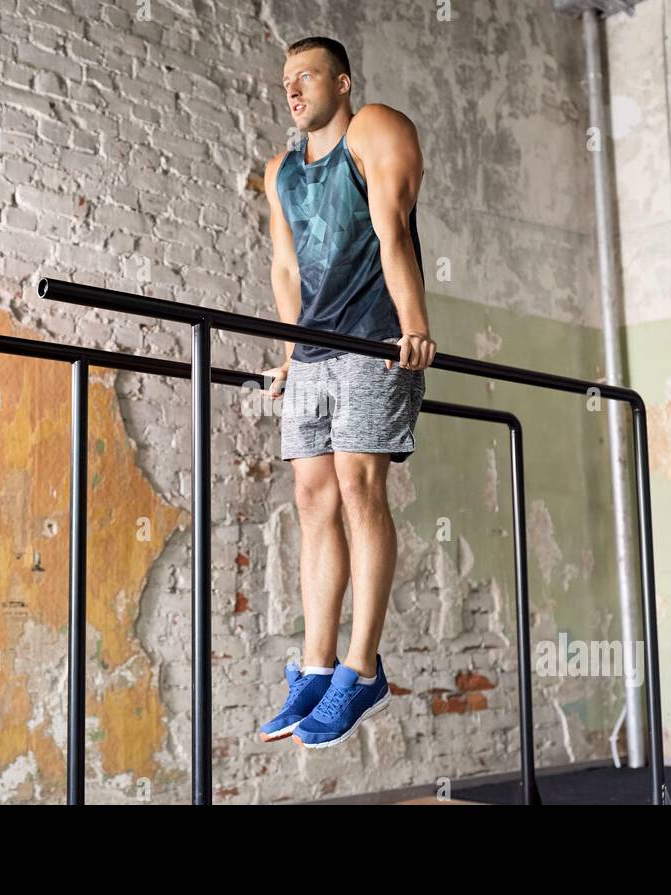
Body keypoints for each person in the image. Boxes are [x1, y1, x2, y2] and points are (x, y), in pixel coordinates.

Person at [258, 36, 435, 749]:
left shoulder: (374, 129)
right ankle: (315, 663)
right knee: (312, 499)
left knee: (361, 489)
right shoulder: (281, 171)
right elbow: (285, 268)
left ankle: (361, 670)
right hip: (314, 352)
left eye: (307, 76)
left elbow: (392, 229)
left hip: (374, 343)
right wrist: (287, 353)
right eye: (285, 81)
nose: (294, 90)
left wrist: (415, 324)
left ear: (343, 80)